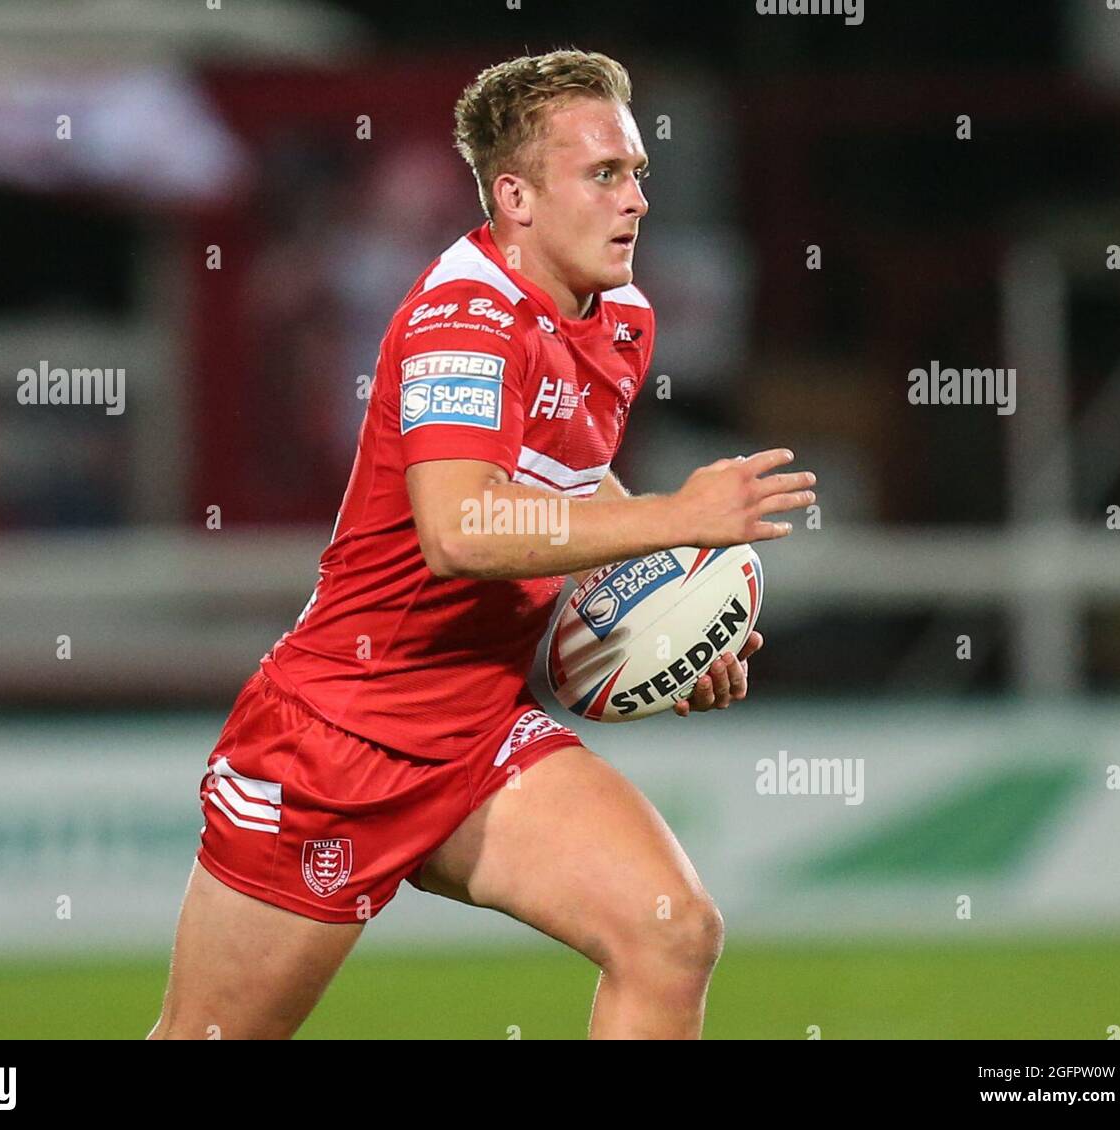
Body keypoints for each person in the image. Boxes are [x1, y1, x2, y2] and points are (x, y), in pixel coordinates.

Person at [150, 48, 815, 1040]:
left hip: (475, 731)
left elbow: (569, 480)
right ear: (516, 196)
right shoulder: (461, 321)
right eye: (602, 175)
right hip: (338, 740)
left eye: (636, 171)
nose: (634, 199)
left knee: (669, 932)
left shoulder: (620, 316)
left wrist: (674, 615)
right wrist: (681, 517)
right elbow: (460, 529)